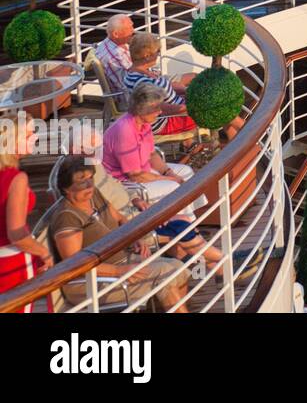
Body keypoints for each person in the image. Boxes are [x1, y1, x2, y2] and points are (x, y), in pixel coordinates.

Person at [46, 158, 189, 312]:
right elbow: (74, 265)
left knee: (178, 267)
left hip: (120, 262)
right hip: (91, 283)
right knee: (164, 275)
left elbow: (120, 218)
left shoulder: (93, 196)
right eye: (82, 180)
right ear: (66, 188)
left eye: (90, 178)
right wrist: (119, 272)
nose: (89, 185)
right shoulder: (67, 217)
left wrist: (135, 238)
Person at [101, 85, 198, 204]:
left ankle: (187, 217)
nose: (160, 111)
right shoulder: (125, 131)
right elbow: (136, 175)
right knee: (173, 186)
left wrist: (168, 172)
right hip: (123, 182)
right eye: (156, 108)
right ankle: (179, 219)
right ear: (142, 109)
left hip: (144, 171)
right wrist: (171, 179)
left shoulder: (144, 123)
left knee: (185, 171)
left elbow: (151, 154)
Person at [0, 116, 52, 311]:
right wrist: (43, 252)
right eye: (29, 135)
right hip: (13, 263)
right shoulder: (16, 179)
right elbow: (17, 234)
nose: (35, 138)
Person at [121, 32, 198, 137]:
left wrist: (186, 91)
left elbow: (164, 92)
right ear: (147, 56)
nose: (158, 54)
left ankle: (196, 145)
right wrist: (194, 107)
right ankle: (222, 148)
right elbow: (160, 108)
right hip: (165, 121)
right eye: (157, 51)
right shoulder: (142, 81)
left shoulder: (141, 72)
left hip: (174, 112)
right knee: (218, 109)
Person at [94, 13, 136, 95]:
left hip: (136, 89)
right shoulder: (113, 55)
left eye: (132, 26)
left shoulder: (117, 44)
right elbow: (129, 85)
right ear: (115, 34)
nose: (133, 30)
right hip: (131, 100)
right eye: (129, 28)